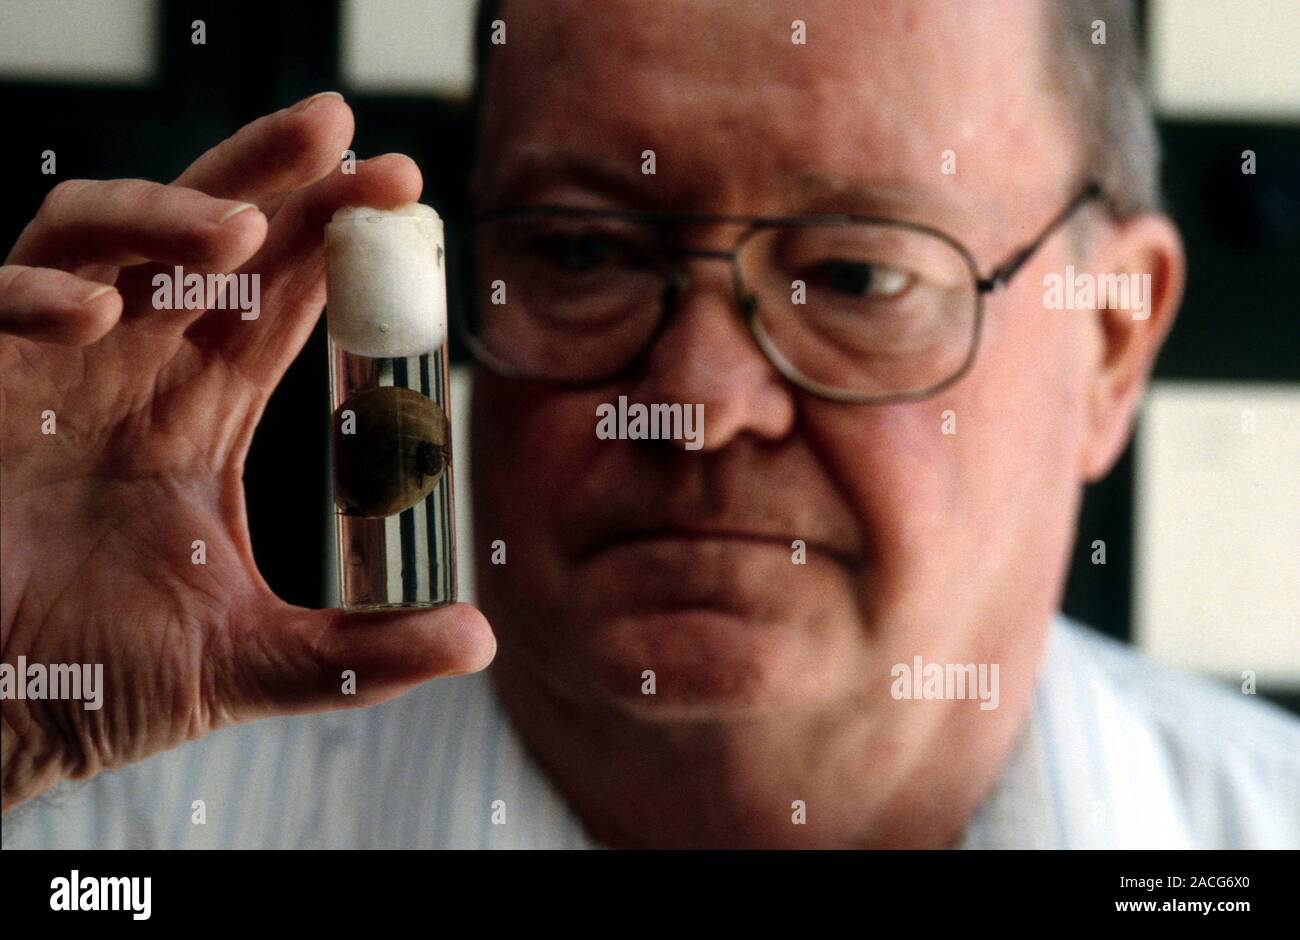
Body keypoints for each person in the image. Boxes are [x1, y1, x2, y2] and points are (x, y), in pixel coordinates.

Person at [2, 0, 1296, 849]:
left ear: (1111, 344)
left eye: (855, 277)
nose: (701, 405)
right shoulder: (88, 820)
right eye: (580, 249)